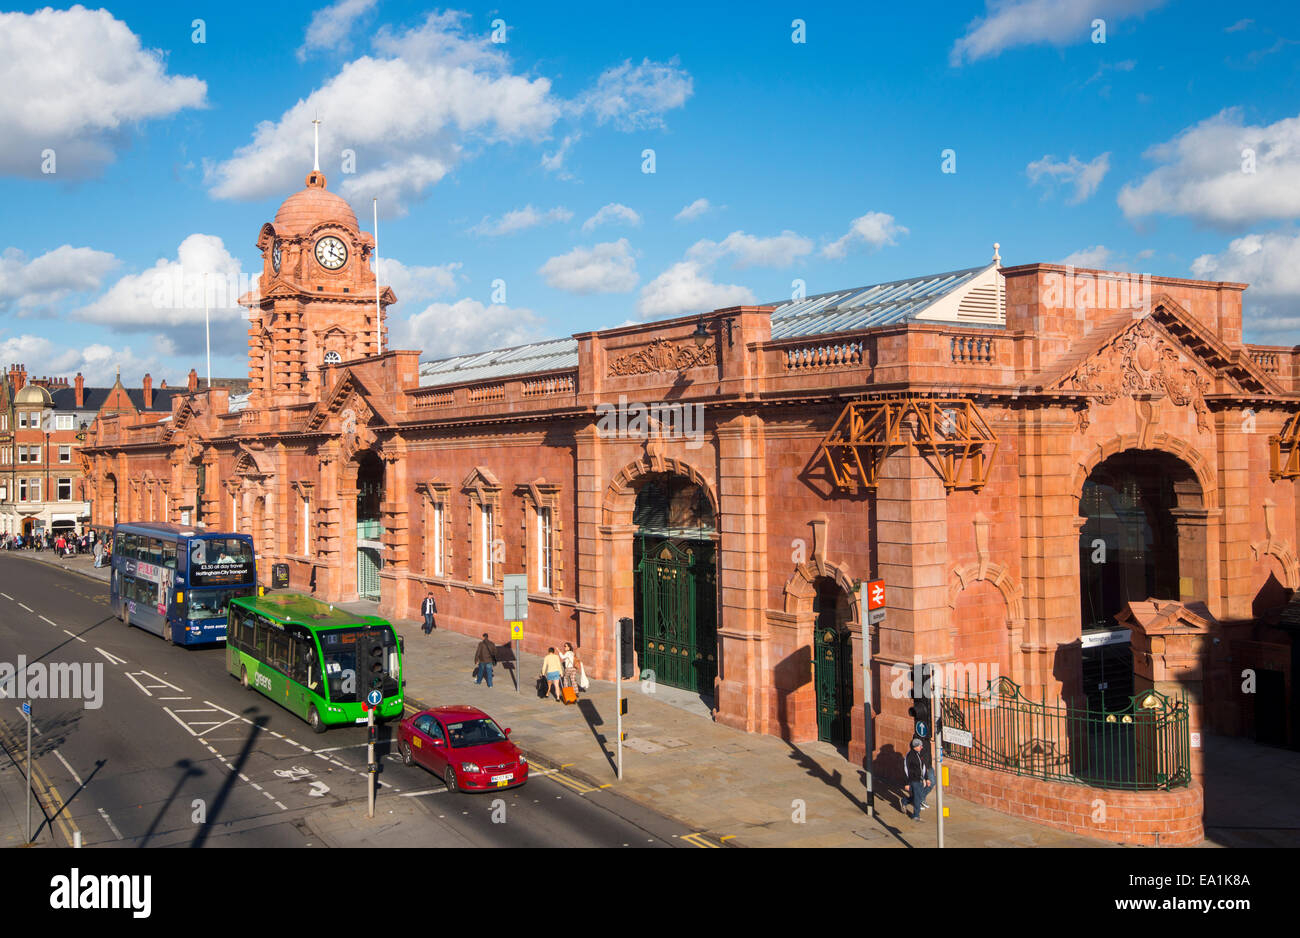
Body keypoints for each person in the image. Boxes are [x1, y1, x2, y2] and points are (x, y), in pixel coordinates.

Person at [903, 738, 933, 821]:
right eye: (920, 746)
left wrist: (926, 778)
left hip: (919, 779)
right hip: (913, 780)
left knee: (918, 796)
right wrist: (907, 783)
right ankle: (916, 815)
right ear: (915, 746)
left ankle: (905, 801)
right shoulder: (910, 756)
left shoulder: (919, 754)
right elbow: (906, 769)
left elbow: (923, 768)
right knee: (917, 798)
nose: (921, 747)